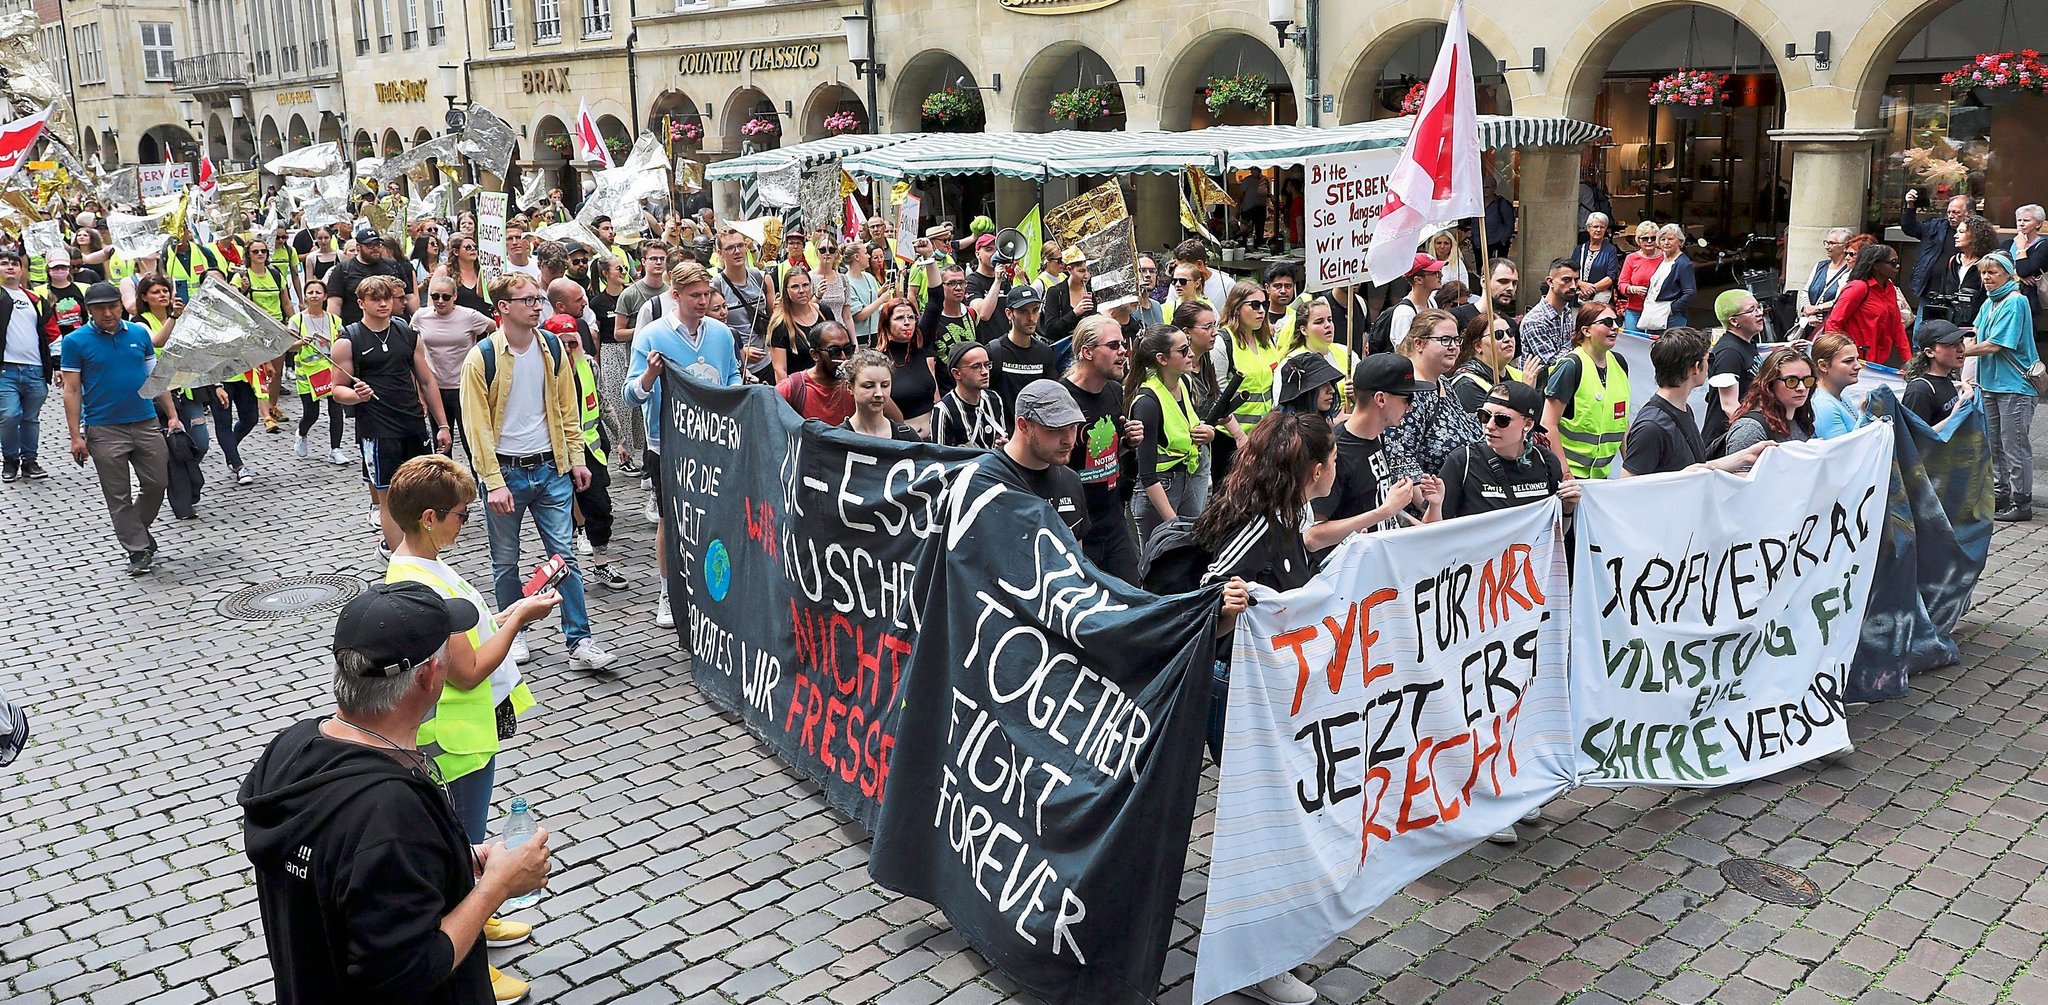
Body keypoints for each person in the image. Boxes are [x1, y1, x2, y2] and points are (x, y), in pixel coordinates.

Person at [239, 579, 553, 1005]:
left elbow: (349, 876)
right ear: (428, 674)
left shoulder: (288, 749)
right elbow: (408, 972)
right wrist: (495, 888)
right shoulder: (390, 812)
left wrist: (452, 863)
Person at [458, 274, 616, 672]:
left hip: (551, 468)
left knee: (564, 558)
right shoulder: (482, 358)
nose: (536, 305)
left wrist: (577, 458)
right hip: (506, 473)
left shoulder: (551, 348)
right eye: (527, 299)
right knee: (505, 561)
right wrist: (492, 482)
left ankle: (580, 641)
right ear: (503, 308)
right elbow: (475, 427)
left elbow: (567, 409)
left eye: (539, 298)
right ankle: (514, 634)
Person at [626, 262, 743, 627]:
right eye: (695, 295)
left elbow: (731, 377)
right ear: (675, 295)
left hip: (714, 443)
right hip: (668, 446)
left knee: (716, 516)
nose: (703, 301)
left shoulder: (722, 334)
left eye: (707, 294)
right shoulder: (651, 335)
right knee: (670, 519)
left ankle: (717, 585)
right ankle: (667, 591)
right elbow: (630, 395)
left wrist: (739, 394)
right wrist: (650, 375)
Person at [331, 275, 453, 556]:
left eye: (387, 298)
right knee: (389, 496)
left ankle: (420, 550)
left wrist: (442, 424)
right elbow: (337, 389)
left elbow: (426, 381)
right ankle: (398, 556)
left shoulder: (407, 334)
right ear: (361, 303)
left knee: (421, 492)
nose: (383, 303)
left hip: (412, 422)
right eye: (375, 299)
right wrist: (355, 395)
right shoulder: (349, 340)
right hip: (378, 428)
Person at [62, 282, 178, 574]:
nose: (108, 313)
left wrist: (172, 415)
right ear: (90, 310)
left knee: (157, 483)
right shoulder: (75, 342)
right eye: (100, 308)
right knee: (118, 495)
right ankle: (138, 549)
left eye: (113, 306)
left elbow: (157, 377)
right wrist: (76, 436)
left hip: (145, 420)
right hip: (103, 428)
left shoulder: (138, 333)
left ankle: (136, 530)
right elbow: (72, 390)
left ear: (122, 306)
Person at [1310, 355, 1443, 552]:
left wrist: (1432, 508)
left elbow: (1379, 508)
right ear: (1381, 399)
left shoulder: (1378, 437)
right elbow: (1312, 537)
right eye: (1408, 398)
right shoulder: (1336, 452)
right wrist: (1385, 511)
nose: (1411, 406)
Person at [539, 312, 628, 589]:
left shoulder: (588, 364)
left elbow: (601, 401)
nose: (567, 349)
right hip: (552, 449)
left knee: (600, 505)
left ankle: (601, 562)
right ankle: (563, 568)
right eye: (561, 343)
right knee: (558, 510)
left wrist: (621, 437)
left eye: (572, 343)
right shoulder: (539, 368)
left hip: (590, 445)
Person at [1059, 315, 1144, 581]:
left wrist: (1128, 443)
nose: (1123, 352)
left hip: (1113, 517)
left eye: (1123, 344)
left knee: (1133, 595)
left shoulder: (1115, 391)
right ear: (1087, 352)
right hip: (1077, 526)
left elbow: (1104, 455)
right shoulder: (1061, 397)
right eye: (1113, 345)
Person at [1964, 252, 2041, 521]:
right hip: (1990, 384)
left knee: (2014, 445)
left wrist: (1961, 354)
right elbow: (1974, 334)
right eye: (1984, 272)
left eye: (1993, 272)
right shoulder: (1989, 303)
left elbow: (1997, 344)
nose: (1986, 278)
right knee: (1994, 443)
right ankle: (2000, 493)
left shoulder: (2015, 301)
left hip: (2014, 386)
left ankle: (2022, 502)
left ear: (2009, 274)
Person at [1125, 324, 1216, 545]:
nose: (1191, 354)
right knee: (1161, 561)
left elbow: (1187, 427)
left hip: (1186, 479)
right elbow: (1147, 476)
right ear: (1162, 359)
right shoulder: (1147, 402)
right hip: (1159, 491)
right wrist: (1173, 524)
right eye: (1183, 350)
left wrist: (1208, 433)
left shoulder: (1183, 382)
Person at [978, 379, 1089, 538]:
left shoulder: (1071, 481)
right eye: (1055, 429)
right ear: (1023, 425)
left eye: (1072, 426)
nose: (1068, 439)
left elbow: (1076, 555)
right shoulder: (984, 481)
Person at [1385, 309, 1486, 479]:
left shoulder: (1441, 381)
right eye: (1445, 340)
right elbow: (1401, 461)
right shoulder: (1409, 392)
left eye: (1456, 339)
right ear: (1419, 343)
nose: (1454, 346)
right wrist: (1428, 505)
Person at [1541, 303, 1631, 480]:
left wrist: (1632, 464)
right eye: (1606, 322)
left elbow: (1622, 421)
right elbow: (1547, 423)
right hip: (1570, 477)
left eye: (1616, 321)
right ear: (1586, 330)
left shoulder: (1619, 363)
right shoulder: (1571, 366)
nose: (1614, 327)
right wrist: (1564, 472)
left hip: (1600, 478)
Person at [415, 275, 497, 463]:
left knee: (471, 443)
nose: (440, 301)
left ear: (455, 296)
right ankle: (445, 489)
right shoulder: (421, 316)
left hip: (464, 386)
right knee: (441, 444)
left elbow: (497, 330)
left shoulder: (469, 316)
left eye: (446, 297)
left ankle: (480, 484)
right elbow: (413, 348)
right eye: (435, 296)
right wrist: (419, 390)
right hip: (435, 387)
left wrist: (484, 358)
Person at [0, 248, 58, 483]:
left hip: (35, 369)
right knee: (9, 415)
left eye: (14, 263)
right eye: (4, 263)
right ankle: (10, 459)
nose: (10, 267)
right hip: (5, 370)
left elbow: (52, 332)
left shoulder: (35, 300)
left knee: (30, 418)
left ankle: (30, 461)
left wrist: (58, 364)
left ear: (23, 270)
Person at [288, 278, 352, 466]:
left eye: (318, 292)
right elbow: (288, 347)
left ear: (325, 296)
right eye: (311, 292)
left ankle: (335, 449)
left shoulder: (334, 319)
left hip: (331, 370)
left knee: (336, 409)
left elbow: (344, 340)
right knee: (311, 413)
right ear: (305, 296)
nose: (314, 295)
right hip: (307, 375)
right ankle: (302, 433)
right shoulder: (297, 320)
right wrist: (301, 342)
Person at [1721, 346, 1817, 456]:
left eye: (1808, 380)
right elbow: (1738, 473)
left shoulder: (1801, 420)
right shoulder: (1750, 428)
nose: (1802, 388)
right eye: (1791, 381)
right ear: (1770, 384)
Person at [1702, 289, 1766, 444]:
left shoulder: (1747, 344)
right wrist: (1753, 434)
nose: (1759, 313)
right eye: (1751, 310)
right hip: (1727, 441)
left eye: (1759, 307)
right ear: (1733, 321)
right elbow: (1729, 405)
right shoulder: (1728, 353)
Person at [1217, 281, 1282, 429]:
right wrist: (1238, 435)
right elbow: (1218, 396)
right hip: (1231, 437)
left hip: (1266, 432)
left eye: (1264, 305)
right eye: (1254, 305)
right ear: (1236, 307)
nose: (1261, 310)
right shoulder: (1222, 342)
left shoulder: (1267, 338)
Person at [327, 225, 419, 327]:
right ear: (358, 247)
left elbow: (409, 296)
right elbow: (334, 303)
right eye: (370, 245)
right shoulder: (343, 269)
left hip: (392, 325)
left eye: (378, 244)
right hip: (356, 326)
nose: (375, 248)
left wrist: (417, 321)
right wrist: (334, 328)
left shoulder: (392, 265)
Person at [985, 285, 1058, 413]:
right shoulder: (994, 352)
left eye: (1035, 310)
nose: (1031, 318)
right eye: (1023, 311)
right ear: (1009, 313)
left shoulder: (1045, 352)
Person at [710, 228, 772, 374]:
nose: (737, 251)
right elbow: (713, 330)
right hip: (736, 367)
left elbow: (774, 320)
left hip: (766, 363)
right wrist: (741, 350)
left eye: (740, 245)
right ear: (720, 253)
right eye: (730, 248)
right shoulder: (716, 286)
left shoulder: (761, 278)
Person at [1900, 320, 1977, 433]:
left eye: (1961, 342)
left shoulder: (1948, 380)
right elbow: (1914, 439)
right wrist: (1957, 413)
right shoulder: (1920, 390)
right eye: (1952, 344)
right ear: (1929, 352)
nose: (1961, 349)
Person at [874, 297, 937, 434]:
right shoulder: (877, 361)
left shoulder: (920, 348)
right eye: (899, 318)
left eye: (911, 317)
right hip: (902, 442)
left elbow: (935, 301)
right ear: (886, 323)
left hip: (934, 440)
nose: (907, 322)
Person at [1280, 296, 1355, 411]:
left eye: (1329, 320)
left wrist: (1356, 396)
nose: (1327, 325)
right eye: (1319, 322)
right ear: (1304, 330)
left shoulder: (1348, 353)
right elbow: (1284, 406)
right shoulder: (1292, 363)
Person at [776, 320, 856, 425]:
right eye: (834, 351)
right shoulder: (791, 388)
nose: (843, 357)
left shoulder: (856, 385)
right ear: (815, 354)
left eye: (848, 349)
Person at [766, 267, 836, 384]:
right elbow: (780, 370)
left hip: (829, 384)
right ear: (786, 291)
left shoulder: (824, 311)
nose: (801, 290)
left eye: (805, 285)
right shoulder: (780, 324)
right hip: (800, 389)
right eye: (795, 287)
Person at [932, 342, 1008, 450]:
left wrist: (1002, 446)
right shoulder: (944, 410)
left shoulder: (994, 399)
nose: (985, 372)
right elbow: (940, 458)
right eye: (976, 367)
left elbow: (1001, 435)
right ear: (957, 373)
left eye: (987, 365)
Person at [1900, 190, 1967, 308]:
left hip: (1957, 294)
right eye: (1949, 212)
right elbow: (1910, 228)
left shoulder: (1976, 234)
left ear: (1969, 213)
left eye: (1956, 212)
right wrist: (1910, 206)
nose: (1951, 216)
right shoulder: (1936, 227)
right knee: (1923, 325)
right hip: (1930, 290)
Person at [1447, 312, 1524, 414]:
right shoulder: (1467, 385)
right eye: (1498, 335)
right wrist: (1525, 394)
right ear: (1478, 346)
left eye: (1510, 332)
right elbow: (1492, 426)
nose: (1507, 339)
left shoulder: (1520, 374)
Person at [840, 349, 922, 442]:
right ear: (850, 388)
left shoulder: (907, 436)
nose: (879, 393)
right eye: (869, 386)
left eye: (885, 385)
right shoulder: (839, 439)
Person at [1931, 214, 1996, 325]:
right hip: (1950, 324)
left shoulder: (1988, 263)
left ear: (1975, 235)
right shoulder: (1953, 261)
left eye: (1961, 232)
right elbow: (1943, 292)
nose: (1956, 236)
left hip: (1977, 325)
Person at [1517, 258, 1582, 368]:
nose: (1573, 286)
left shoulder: (1566, 312)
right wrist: (1577, 343)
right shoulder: (1534, 321)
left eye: (1576, 280)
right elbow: (1553, 363)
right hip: (1538, 383)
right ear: (1550, 281)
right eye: (1566, 280)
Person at [918, 264, 979, 378]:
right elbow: (928, 363)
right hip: (944, 389)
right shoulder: (930, 321)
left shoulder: (972, 314)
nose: (958, 288)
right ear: (940, 286)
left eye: (961, 282)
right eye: (951, 283)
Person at [1807, 332, 1868, 439]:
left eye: (1857, 359)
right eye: (1848, 361)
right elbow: (1842, 451)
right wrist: (1863, 414)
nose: (1858, 366)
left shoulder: (1841, 395)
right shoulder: (1822, 404)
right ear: (1823, 365)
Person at [1638, 224, 1695, 336]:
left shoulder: (1683, 264)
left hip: (1671, 317)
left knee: (1670, 349)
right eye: (1662, 239)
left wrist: (1672, 310)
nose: (1666, 242)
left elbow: (1690, 293)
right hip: (1655, 314)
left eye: (1670, 239)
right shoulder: (1664, 260)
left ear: (1680, 241)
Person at [1381, 254, 1445, 352]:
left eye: (1439, 271)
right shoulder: (1405, 313)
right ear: (1418, 279)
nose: (1440, 275)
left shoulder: (1431, 302)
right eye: (1435, 273)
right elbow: (1404, 352)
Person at [1799, 228, 1855, 326]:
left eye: (1831, 243)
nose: (1827, 247)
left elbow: (1842, 300)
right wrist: (1808, 310)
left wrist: (1818, 308)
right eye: (1826, 242)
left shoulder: (1851, 271)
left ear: (1844, 246)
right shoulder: (1820, 266)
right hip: (1810, 324)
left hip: (1832, 325)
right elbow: (1805, 292)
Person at [1041, 247, 1097, 344]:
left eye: (1088, 271)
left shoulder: (1091, 290)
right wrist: (1075, 313)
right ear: (1069, 269)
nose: (1086, 275)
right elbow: (1050, 329)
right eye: (1081, 271)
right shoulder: (1055, 292)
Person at [1615, 221, 1662, 335]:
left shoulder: (1665, 257)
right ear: (1638, 240)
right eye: (1645, 238)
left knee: (1657, 346)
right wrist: (1633, 289)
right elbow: (1622, 284)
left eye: (1653, 238)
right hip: (1635, 309)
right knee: (1632, 342)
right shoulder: (1631, 258)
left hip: (1658, 310)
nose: (1649, 241)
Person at [1573, 213, 1621, 304]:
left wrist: (1591, 290)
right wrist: (1582, 285)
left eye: (1602, 227)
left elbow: (1611, 276)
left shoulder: (1610, 250)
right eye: (1595, 226)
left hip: (1599, 299)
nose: (1598, 230)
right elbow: (1571, 272)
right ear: (1588, 228)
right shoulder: (1579, 249)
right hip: (1578, 296)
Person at [843, 242, 885, 342]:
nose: (869, 256)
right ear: (856, 257)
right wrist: (881, 300)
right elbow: (858, 316)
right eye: (866, 253)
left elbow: (876, 307)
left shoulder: (869, 277)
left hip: (877, 332)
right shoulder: (847, 281)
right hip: (860, 336)